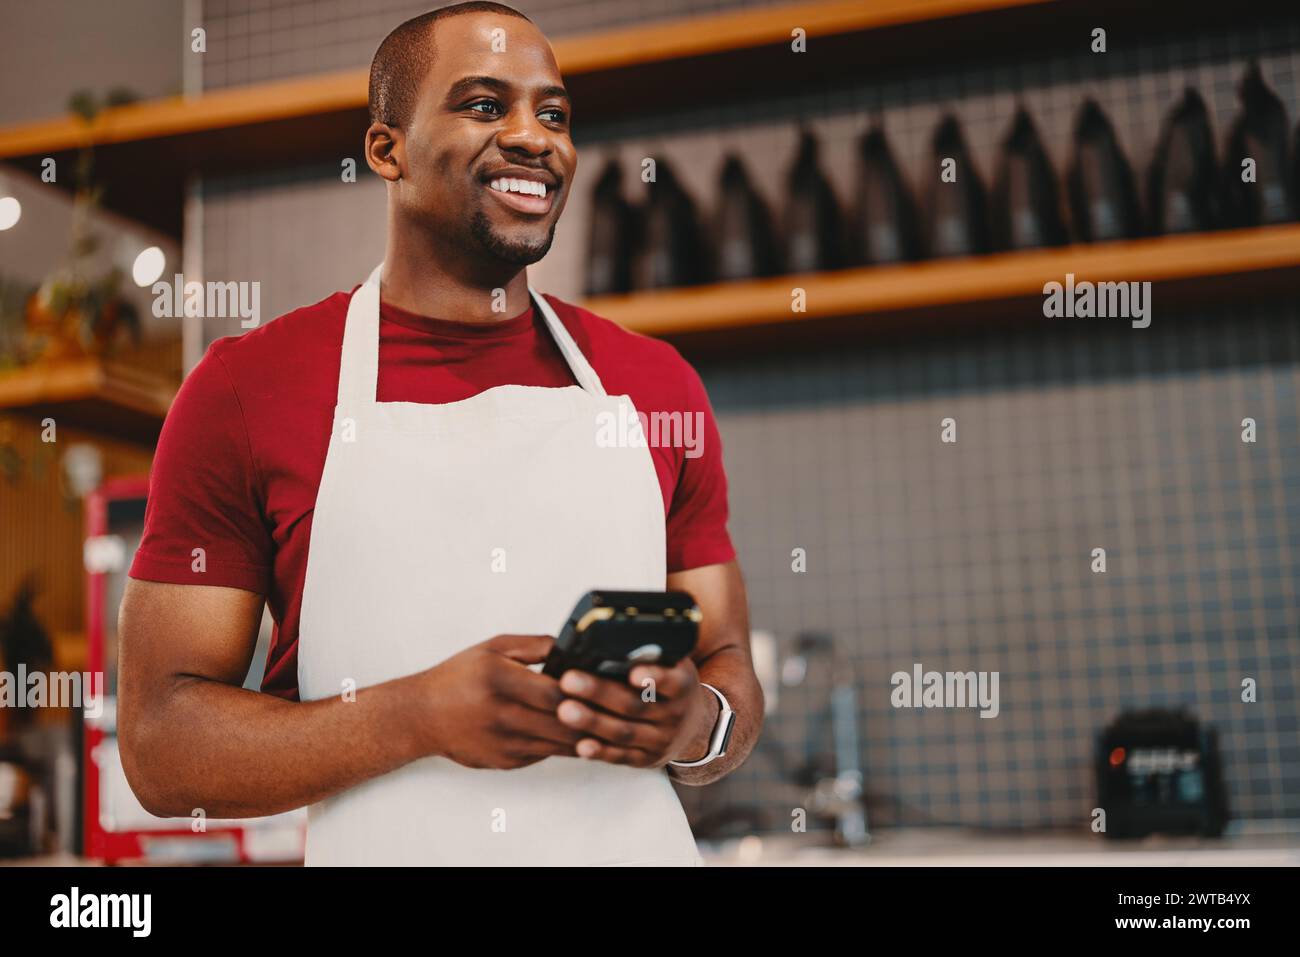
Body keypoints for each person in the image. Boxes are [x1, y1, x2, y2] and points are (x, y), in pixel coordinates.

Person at [118, 1, 762, 866]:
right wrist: (416, 715)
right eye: (487, 106)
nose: (535, 138)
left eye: (555, 114)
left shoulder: (654, 386)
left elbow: (727, 669)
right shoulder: (244, 391)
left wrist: (691, 721)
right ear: (386, 148)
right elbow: (160, 747)